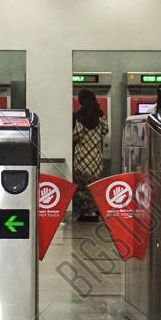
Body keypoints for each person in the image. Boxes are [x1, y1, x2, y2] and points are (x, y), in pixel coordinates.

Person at [71, 89, 108, 222]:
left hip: (82, 157)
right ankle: (93, 210)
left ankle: (86, 212)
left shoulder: (80, 116)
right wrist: (95, 140)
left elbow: (77, 134)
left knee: (82, 186)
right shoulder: (100, 115)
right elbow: (105, 131)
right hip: (95, 157)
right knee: (94, 185)